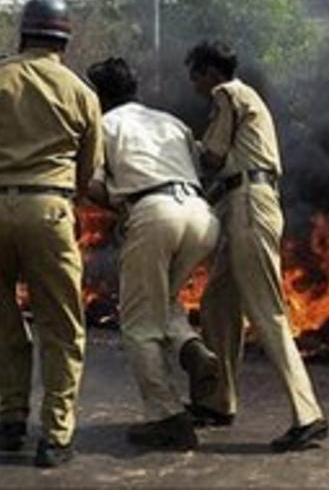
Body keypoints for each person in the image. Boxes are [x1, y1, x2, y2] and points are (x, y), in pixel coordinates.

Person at [0, 0, 103, 468]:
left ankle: (12, 418)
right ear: (64, 40)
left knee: (1, 317)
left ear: (23, 35)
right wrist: (64, 199)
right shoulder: (81, 92)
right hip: (49, 208)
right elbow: (88, 168)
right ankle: (55, 436)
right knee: (61, 324)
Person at [183, 41, 328, 453]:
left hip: (248, 203)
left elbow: (212, 157)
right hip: (239, 202)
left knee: (267, 310)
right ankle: (216, 402)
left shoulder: (226, 94)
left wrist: (175, 142)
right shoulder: (245, 97)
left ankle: (308, 414)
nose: (192, 82)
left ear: (211, 71)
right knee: (216, 303)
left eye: (195, 72)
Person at [84, 57, 222, 451]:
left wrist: (119, 202)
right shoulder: (170, 121)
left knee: (138, 325)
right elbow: (202, 164)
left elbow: (91, 185)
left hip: (153, 213)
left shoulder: (105, 125)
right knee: (165, 301)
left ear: (99, 96)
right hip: (201, 216)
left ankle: (167, 417)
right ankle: (191, 348)